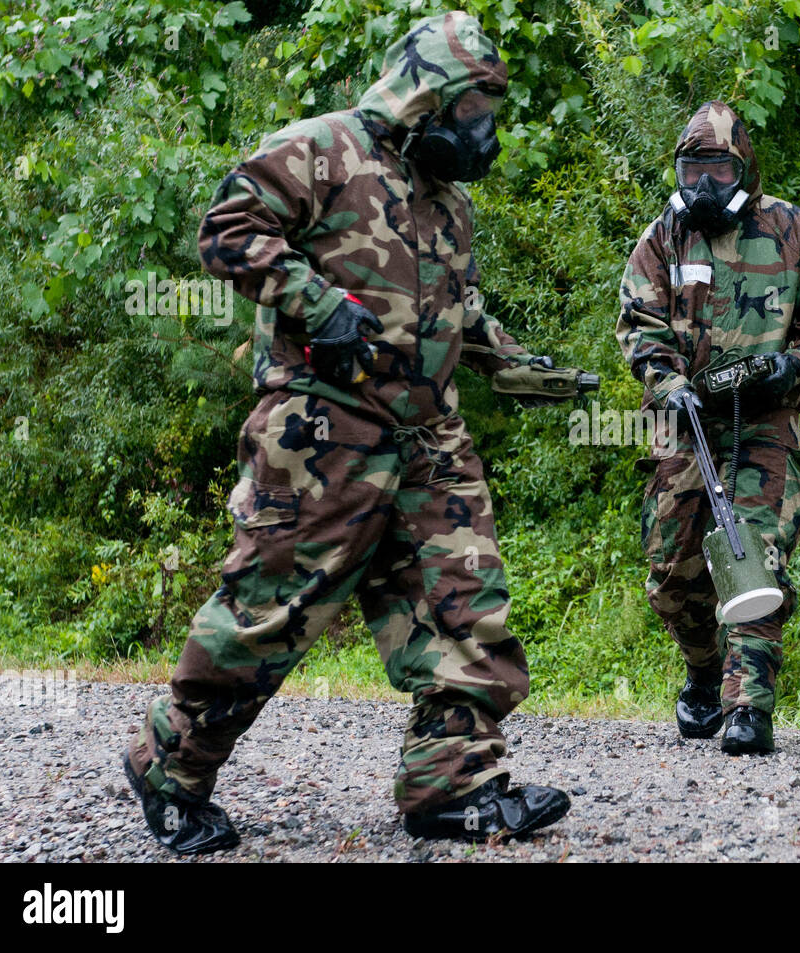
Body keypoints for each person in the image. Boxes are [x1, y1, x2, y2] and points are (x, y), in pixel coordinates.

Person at [122, 11, 573, 854]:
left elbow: (453, 308)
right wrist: (318, 303)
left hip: (429, 435)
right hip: (324, 428)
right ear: (422, 100)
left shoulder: (447, 202)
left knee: (464, 604)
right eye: (472, 115)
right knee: (269, 611)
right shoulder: (320, 149)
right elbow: (227, 230)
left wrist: (512, 360)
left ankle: (454, 784)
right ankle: (169, 766)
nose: (484, 136)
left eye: (489, 117)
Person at [617, 100, 800, 755]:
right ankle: (702, 668)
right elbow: (640, 325)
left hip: (763, 422)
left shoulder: (790, 229)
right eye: (692, 169)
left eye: (716, 171)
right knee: (673, 573)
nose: (702, 186)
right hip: (686, 422)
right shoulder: (663, 236)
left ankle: (748, 707)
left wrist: (796, 362)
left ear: (744, 169)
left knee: (756, 557)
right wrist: (667, 384)